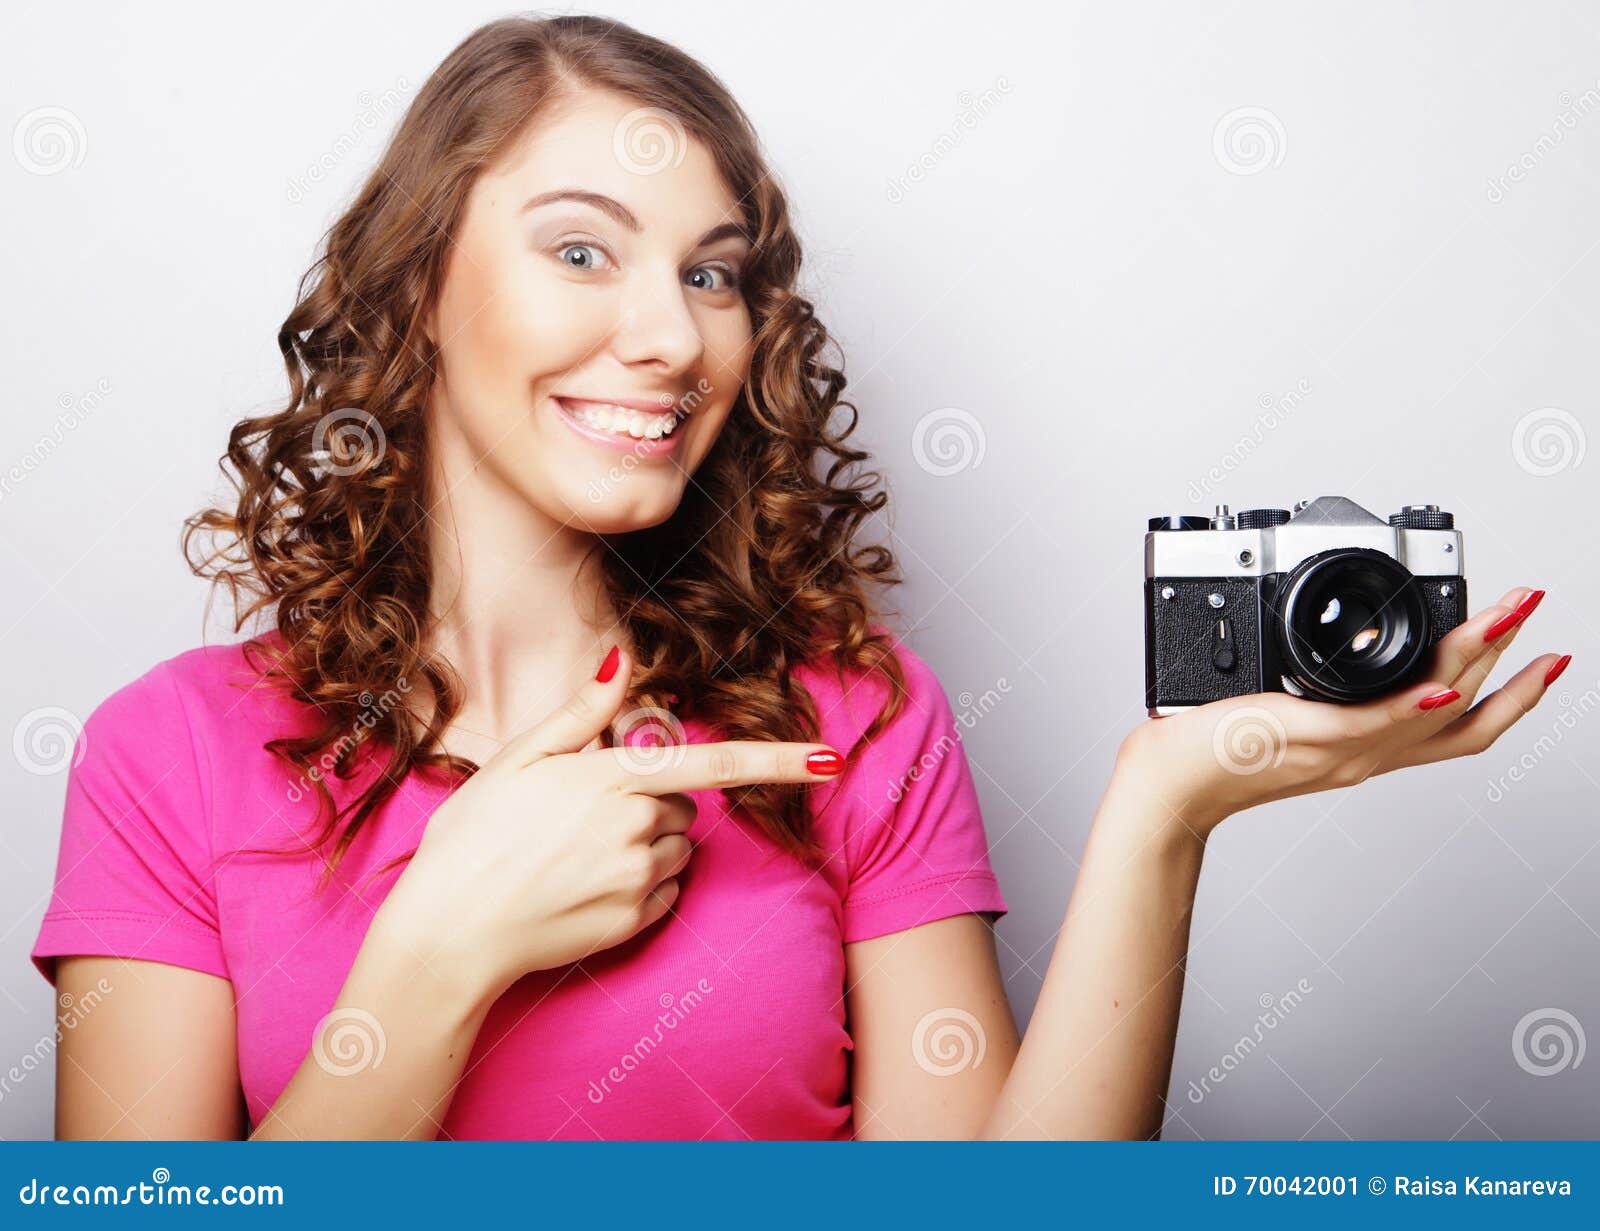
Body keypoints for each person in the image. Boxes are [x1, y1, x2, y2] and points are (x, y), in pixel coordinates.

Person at [30, 14, 1568, 1141]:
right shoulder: (165, 761)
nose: (671, 335)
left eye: (713, 272)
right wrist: (440, 957)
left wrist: (1165, 815)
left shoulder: (848, 716)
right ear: (417, 287)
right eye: (582, 251)